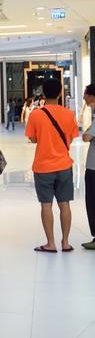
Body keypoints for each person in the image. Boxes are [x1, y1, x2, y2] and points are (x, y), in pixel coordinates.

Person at [26, 80, 79, 253]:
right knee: (65, 204)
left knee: (46, 205)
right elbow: (71, 138)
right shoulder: (69, 114)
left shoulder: (35, 114)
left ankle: (50, 243)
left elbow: (33, 139)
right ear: (59, 93)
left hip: (43, 166)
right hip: (64, 164)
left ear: (43, 94)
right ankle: (65, 242)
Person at [81, 85, 95, 250]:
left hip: (93, 167)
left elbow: (86, 137)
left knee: (92, 202)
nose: (83, 97)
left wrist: (88, 132)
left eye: (85, 94)